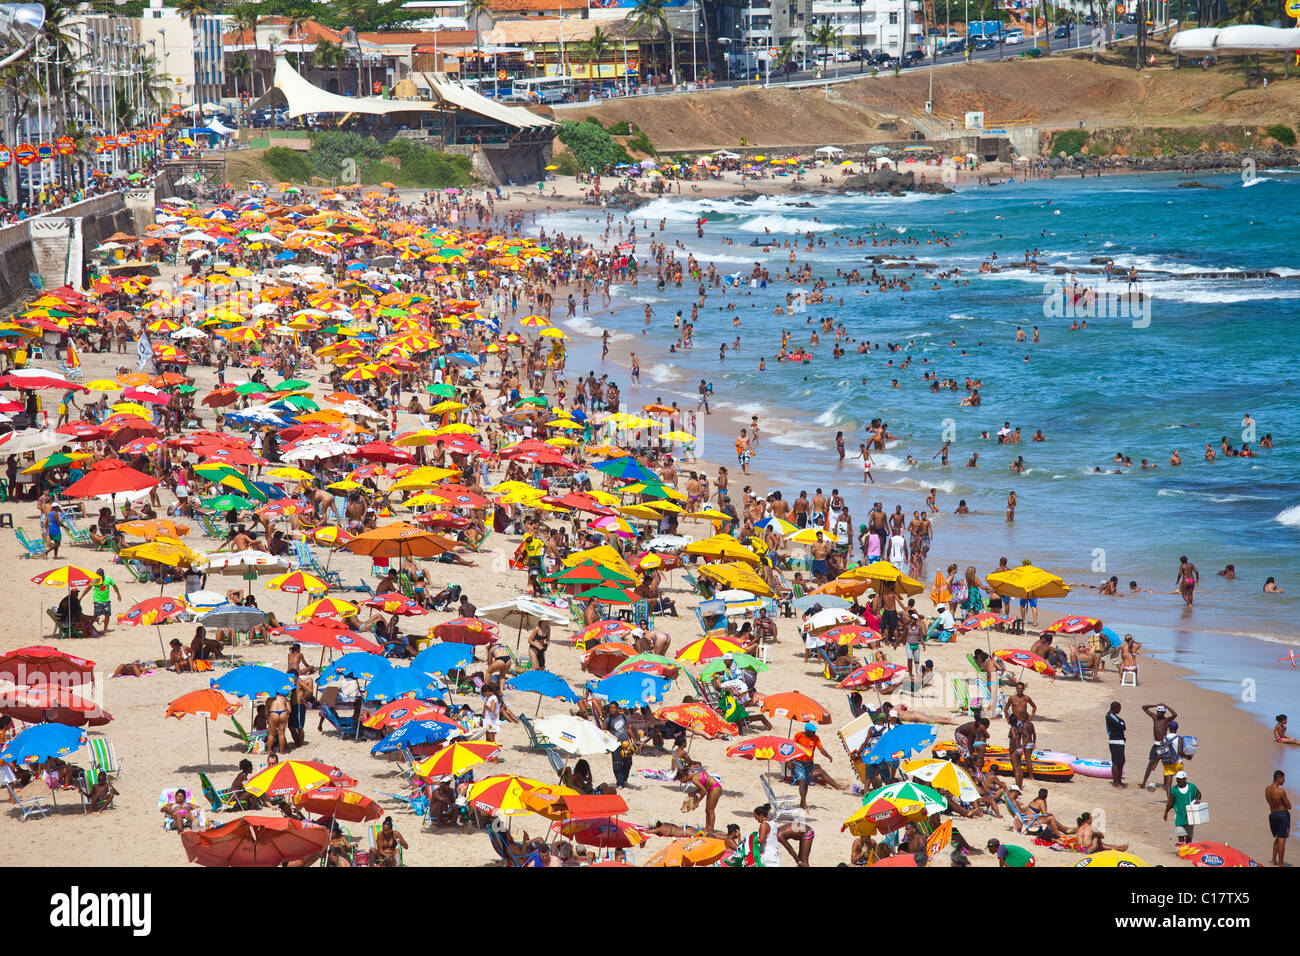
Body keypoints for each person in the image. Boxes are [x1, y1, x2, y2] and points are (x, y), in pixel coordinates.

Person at [791, 721, 844, 809]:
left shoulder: (816, 738)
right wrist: (790, 760)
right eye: (813, 731)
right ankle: (804, 804)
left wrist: (828, 756)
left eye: (814, 731)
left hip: (809, 763)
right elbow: (792, 746)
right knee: (802, 781)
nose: (814, 732)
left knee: (806, 784)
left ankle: (802, 803)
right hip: (799, 763)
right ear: (807, 731)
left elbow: (821, 749)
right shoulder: (799, 735)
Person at [1139, 702, 1177, 790]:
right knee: (1150, 763)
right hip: (1156, 744)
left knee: (1166, 764)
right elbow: (1144, 707)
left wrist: (1166, 706)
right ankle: (1143, 783)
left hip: (1164, 745)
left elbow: (1175, 714)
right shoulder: (1154, 718)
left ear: (1164, 713)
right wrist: (1155, 705)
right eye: (1157, 711)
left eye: (1160, 712)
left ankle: (1165, 785)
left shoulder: (1166, 720)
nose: (1158, 713)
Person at [605, 701, 639, 789]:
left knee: (628, 762)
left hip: (626, 743)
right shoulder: (608, 719)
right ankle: (620, 783)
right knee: (617, 764)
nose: (612, 709)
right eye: (610, 708)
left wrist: (634, 738)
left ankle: (624, 780)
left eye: (613, 708)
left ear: (618, 709)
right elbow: (605, 731)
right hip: (615, 744)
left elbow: (628, 728)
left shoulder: (623, 716)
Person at [1164, 770, 1201, 846]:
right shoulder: (1174, 790)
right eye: (1178, 779)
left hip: (1190, 816)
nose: (1179, 781)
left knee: (1189, 836)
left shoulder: (1192, 787)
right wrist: (1166, 812)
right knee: (1180, 834)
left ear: (1185, 779)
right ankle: (1181, 849)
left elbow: (1198, 793)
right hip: (1179, 816)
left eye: (1181, 779)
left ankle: (1188, 850)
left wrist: (1198, 800)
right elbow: (1170, 802)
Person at [80, 568, 122, 635]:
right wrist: (82, 596)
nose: (99, 578)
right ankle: (89, 626)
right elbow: (88, 588)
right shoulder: (95, 580)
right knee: (95, 616)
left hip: (106, 600)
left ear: (103, 575)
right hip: (97, 600)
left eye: (101, 576)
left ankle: (105, 629)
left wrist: (118, 594)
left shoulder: (108, 579)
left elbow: (115, 586)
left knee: (107, 615)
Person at [1266, 770, 1290, 866]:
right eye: (1283, 778)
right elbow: (1289, 805)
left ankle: (1273, 860)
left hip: (1273, 815)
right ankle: (1280, 863)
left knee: (1278, 838)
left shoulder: (1267, 789)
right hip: (1282, 815)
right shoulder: (1280, 792)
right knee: (1282, 839)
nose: (1284, 781)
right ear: (1278, 778)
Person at [1106, 701, 1127, 788]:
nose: (1120, 710)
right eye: (1119, 708)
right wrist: (1122, 723)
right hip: (1115, 741)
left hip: (1119, 740)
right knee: (1116, 762)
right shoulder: (1110, 716)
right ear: (1115, 708)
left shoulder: (1114, 716)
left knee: (1121, 761)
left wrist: (1122, 723)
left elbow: (1122, 724)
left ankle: (1119, 780)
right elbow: (1122, 726)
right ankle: (1115, 782)